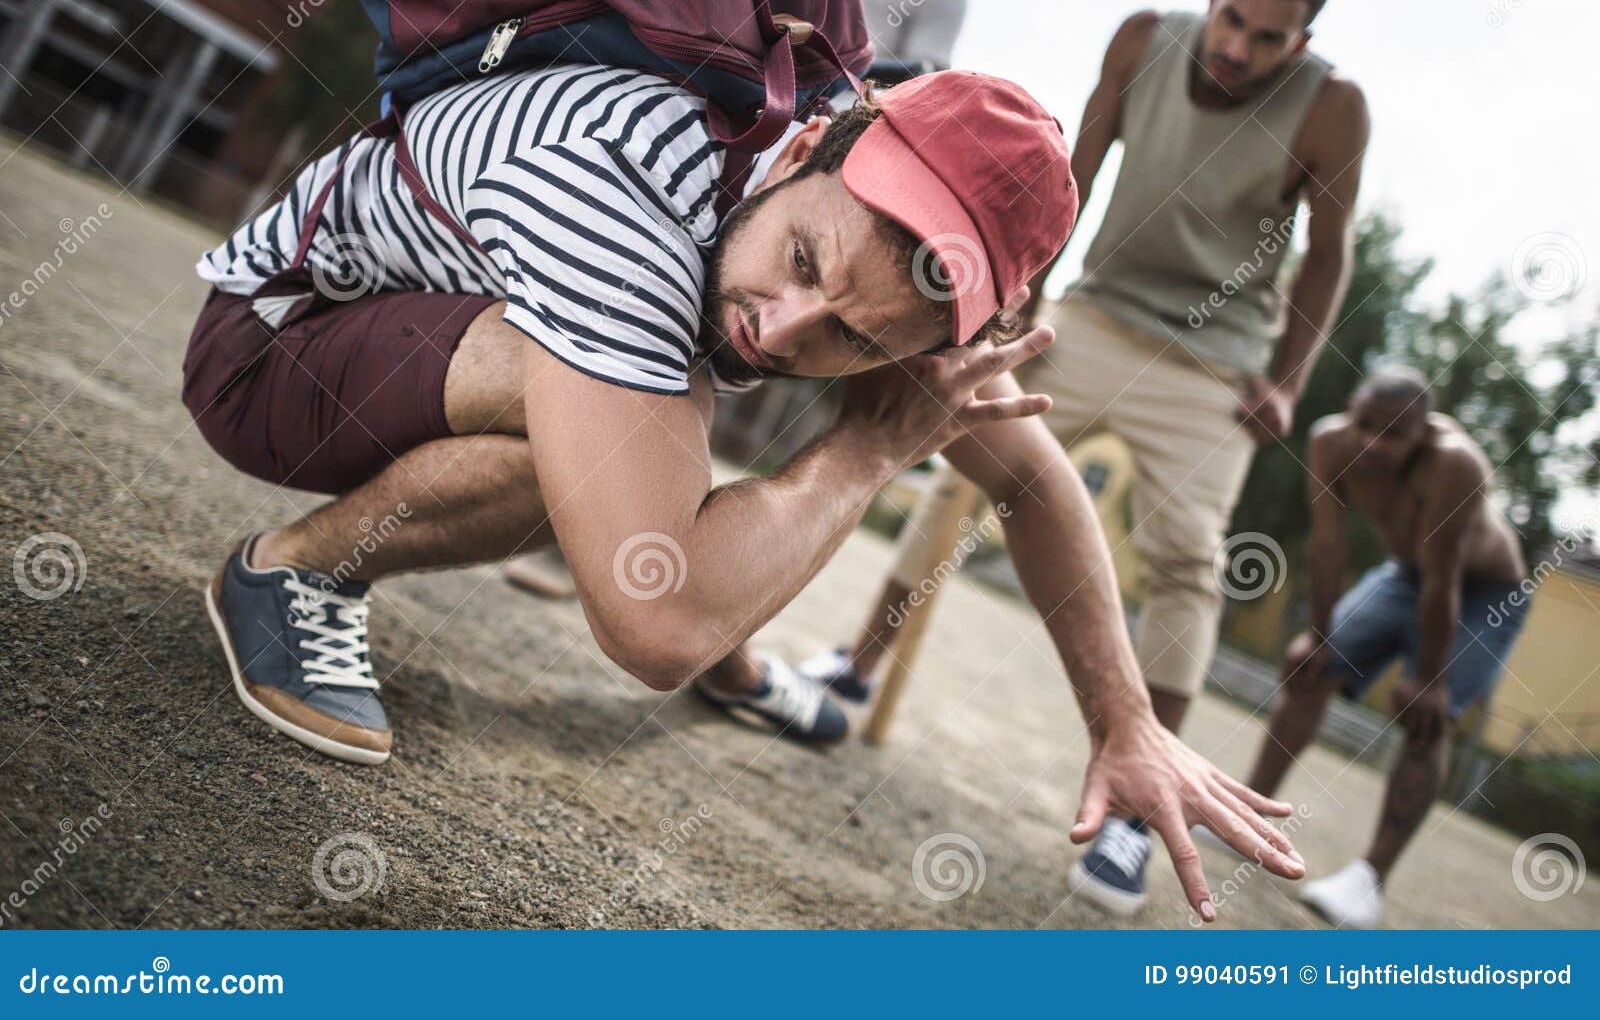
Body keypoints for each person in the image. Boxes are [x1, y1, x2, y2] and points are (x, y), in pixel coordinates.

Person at [182, 60, 1304, 921]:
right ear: (808, 143)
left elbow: (1034, 480)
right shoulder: (629, 186)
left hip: (423, 340)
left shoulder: (839, 237)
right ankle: (295, 571)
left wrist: (1127, 723)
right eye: (806, 265)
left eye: (858, 337)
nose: (781, 329)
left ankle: (744, 662)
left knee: (656, 427)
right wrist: (865, 455)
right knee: (639, 441)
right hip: (271, 351)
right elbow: (653, 620)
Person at [798, 0, 1370, 916]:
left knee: (1189, 560)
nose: (1238, 49)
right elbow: (1083, 161)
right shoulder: (1146, 39)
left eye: (1268, 39)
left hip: (1217, 359)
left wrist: (1286, 380)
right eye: (1232, 21)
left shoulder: (1331, 109)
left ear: (1301, 39)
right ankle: (853, 671)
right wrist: (1026, 293)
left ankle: (1131, 817)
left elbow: (1328, 257)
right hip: (1097, 311)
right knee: (959, 450)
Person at [499, 0, 971, 603]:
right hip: (739, 127)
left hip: (834, 188)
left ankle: (669, 566)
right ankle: (608, 538)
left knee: (737, 361)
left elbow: (920, 94)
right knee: (653, 337)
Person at [1236, 369, 1530, 928]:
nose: (1372, 443)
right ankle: (1248, 819)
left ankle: (1366, 882)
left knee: (1427, 719)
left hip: (1482, 592)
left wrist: (1431, 679)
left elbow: (1444, 580)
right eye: (1364, 424)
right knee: (1309, 671)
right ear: (1350, 408)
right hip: (1405, 574)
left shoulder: (1454, 463)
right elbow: (1327, 546)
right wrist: (1317, 637)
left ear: (1423, 431)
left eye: (1391, 434)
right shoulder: (1328, 441)